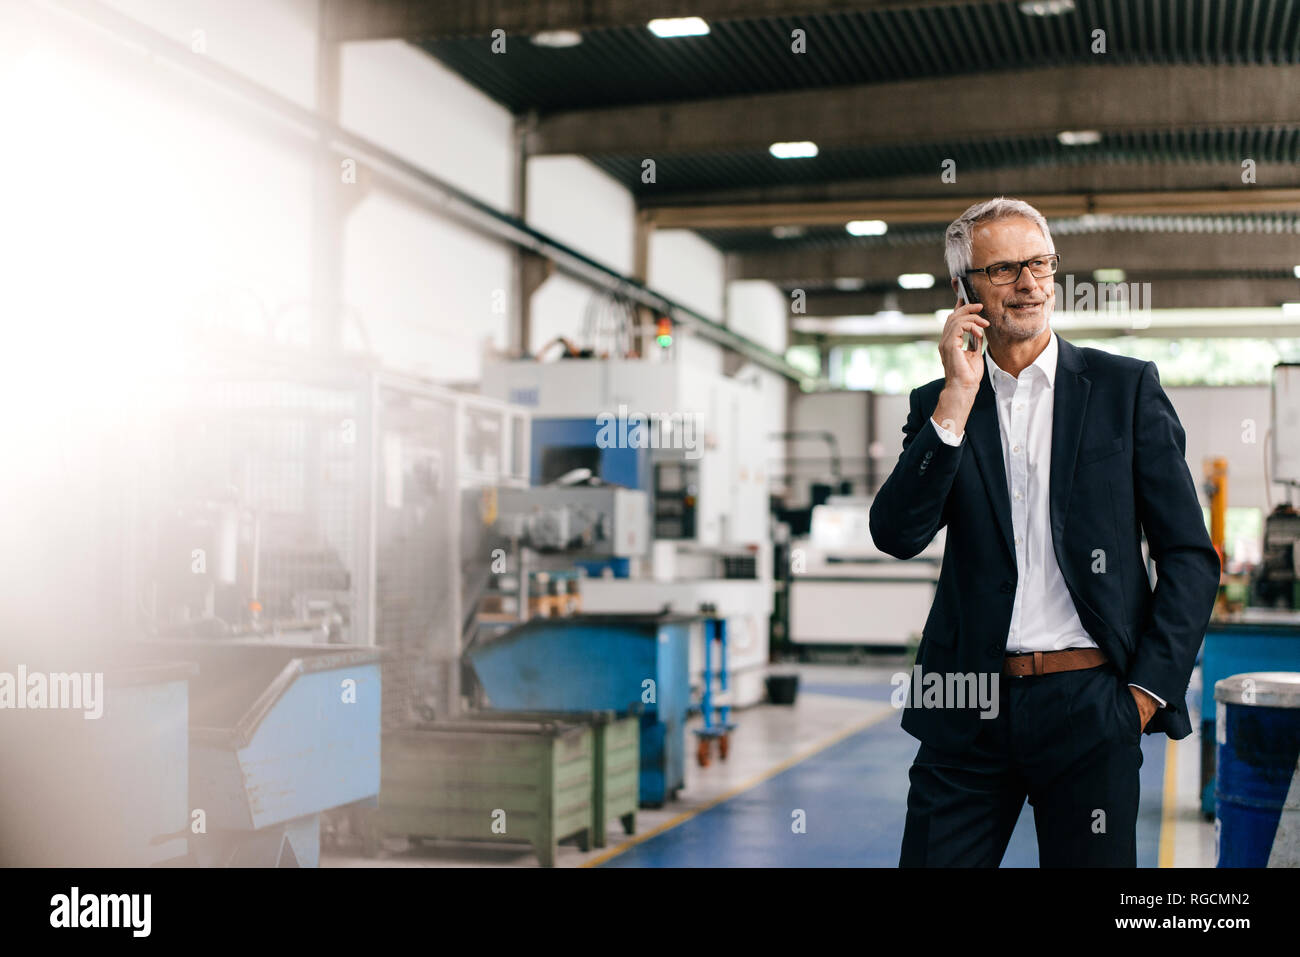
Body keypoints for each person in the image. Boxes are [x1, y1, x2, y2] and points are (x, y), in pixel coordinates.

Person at [870, 197, 1220, 867]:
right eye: (1003, 268)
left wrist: (1144, 695)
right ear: (963, 289)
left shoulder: (1124, 390)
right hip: (966, 702)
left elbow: (1189, 555)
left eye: (1040, 264)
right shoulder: (941, 401)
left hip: (1090, 703)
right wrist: (954, 398)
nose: (1028, 283)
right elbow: (896, 531)